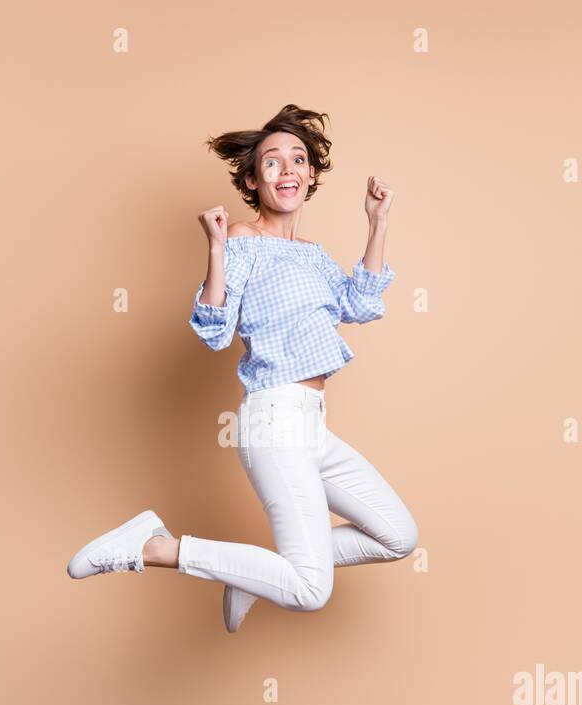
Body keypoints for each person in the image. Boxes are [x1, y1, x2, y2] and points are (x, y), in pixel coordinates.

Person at [68, 105, 418, 633]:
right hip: (273, 422)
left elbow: (361, 305)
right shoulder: (242, 240)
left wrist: (378, 224)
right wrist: (215, 247)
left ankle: (252, 573)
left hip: (312, 426)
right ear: (253, 180)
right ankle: (154, 545)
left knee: (397, 534)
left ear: (311, 177)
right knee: (309, 590)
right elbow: (213, 329)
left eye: (298, 160)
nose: (288, 170)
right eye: (273, 163)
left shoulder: (314, 256)